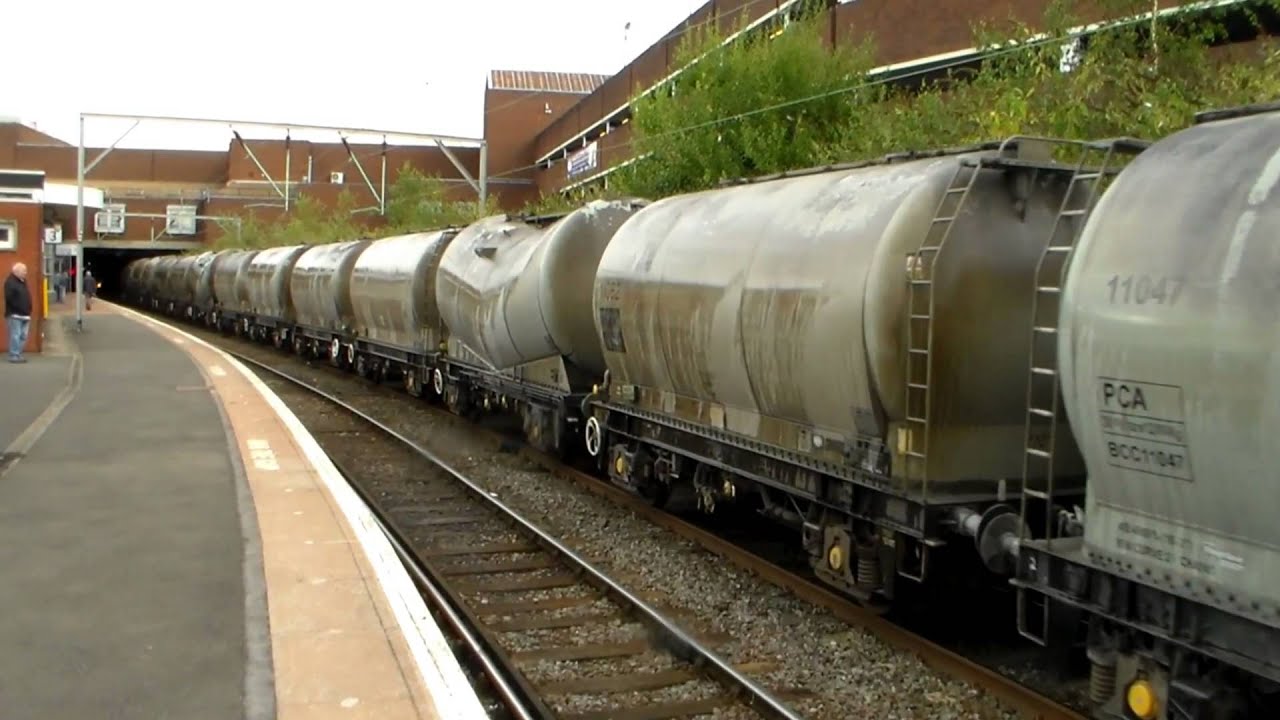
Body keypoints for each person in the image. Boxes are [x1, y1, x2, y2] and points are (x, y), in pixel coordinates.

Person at [4, 262, 32, 364]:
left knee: (23, 336)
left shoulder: (23, 281)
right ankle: (14, 355)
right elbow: (10, 298)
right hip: (15, 314)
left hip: (25, 314)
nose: (26, 272)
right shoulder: (10, 282)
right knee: (15, 335)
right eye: (24, 270)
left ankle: (18, 354)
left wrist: (28, 309)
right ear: (16, 271)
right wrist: (20, 308)